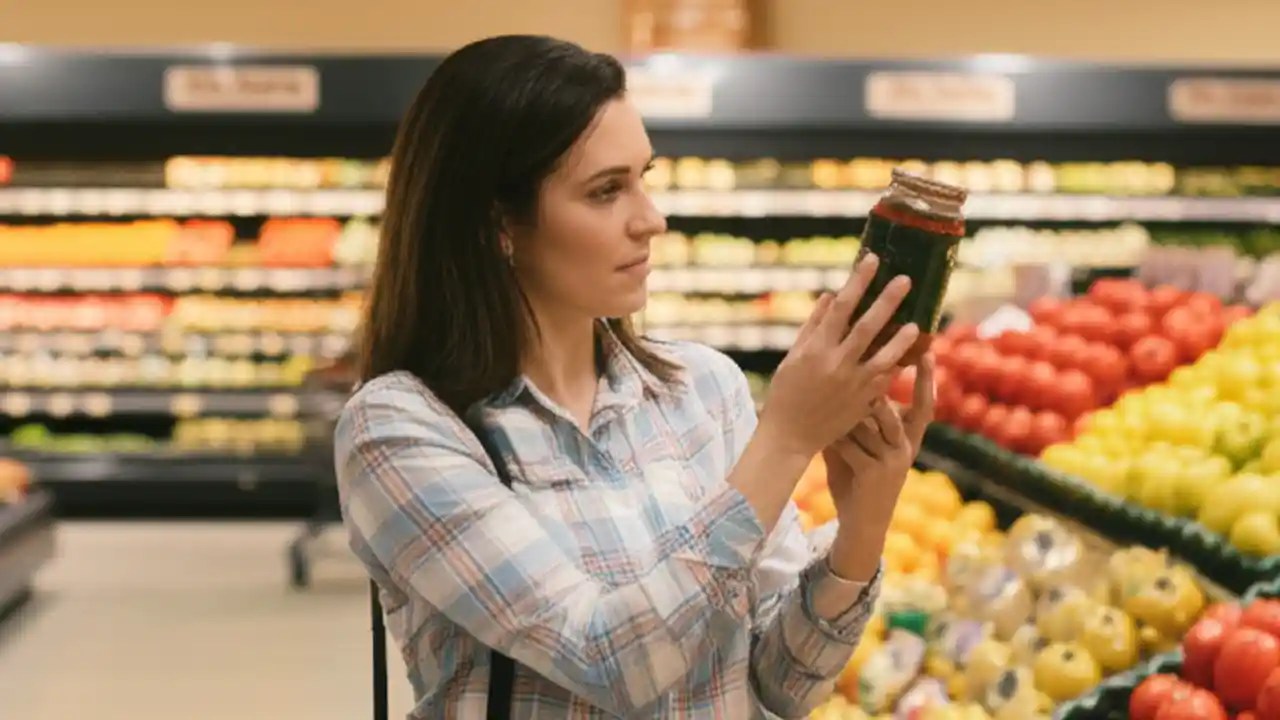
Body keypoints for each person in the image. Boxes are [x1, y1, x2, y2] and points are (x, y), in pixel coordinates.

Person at [336, 34, 935, 719]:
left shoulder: (704, 390)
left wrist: (862, 524)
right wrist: (787, 441)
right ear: (497, 223)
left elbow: (781, 685)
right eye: (605, 191)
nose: (651, 219)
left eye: (643, 178)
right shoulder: (401, 429)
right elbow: (607, 658)